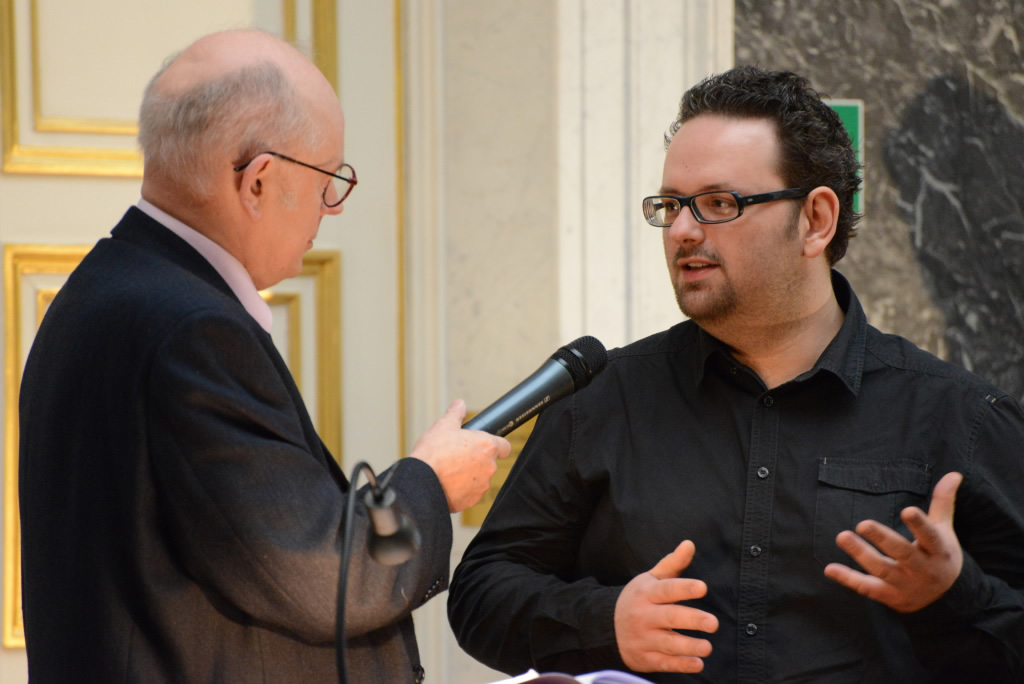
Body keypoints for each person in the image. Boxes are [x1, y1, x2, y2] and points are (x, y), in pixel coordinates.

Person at [448, 66, 1024, 682]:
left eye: (719, 203)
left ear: (816, 220)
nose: (682, 231)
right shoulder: (601, 401)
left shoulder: (959, 418)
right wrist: (604, 621)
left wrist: (953, 595)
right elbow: (480, 596)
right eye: (670, 206)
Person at [18, 30, 510, 684]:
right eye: (328, 180)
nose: (330, 210)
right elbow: (328, 576)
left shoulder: (97, 293)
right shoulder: (190, 332)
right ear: (257, 181)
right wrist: (430, 483)